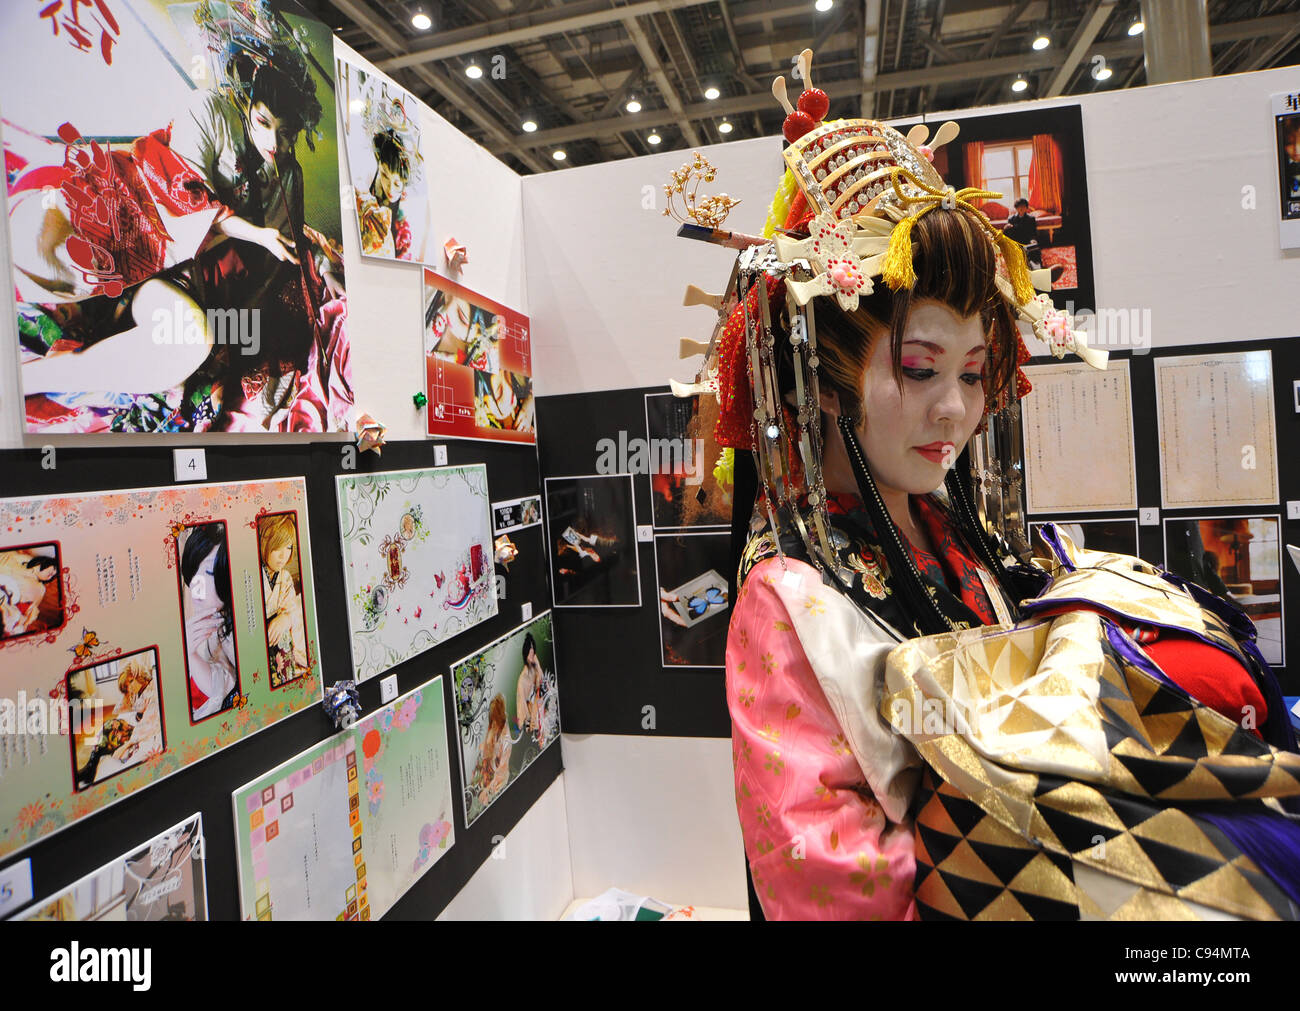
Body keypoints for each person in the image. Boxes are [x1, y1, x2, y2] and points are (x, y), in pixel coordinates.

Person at [688, 49, 1300, 921]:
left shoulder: (971, 539)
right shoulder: (791, 600)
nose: (955, 411)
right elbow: (829, 886)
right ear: (822, 380)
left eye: (974, 375)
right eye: (919, 367)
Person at [11, 14, 349, 433]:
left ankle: (35, 379)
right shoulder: (208, 111)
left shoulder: (288, 173)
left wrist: (325, 265)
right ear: (246, 102)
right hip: (137, 228)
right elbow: (186, 198)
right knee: (38, 239)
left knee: (191, 340)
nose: (274, 144)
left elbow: (294, 237)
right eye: (264, 123)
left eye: (286, 134)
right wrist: (256, 233)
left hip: (181, 282)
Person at [179, 523, 238, 721]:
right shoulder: (206, 613)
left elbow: (220, 685)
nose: (196, 586)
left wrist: (191, 655)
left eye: (210, 573)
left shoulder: (230, 630)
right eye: (194, 572)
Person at [259, 514, 309, 687]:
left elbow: (292, 608)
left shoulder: (285, 576)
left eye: (288, 547)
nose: (283, 555)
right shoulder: (256, 575)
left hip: (281, 639)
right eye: (276, 547)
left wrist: (285, 618)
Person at [473, 694, 512, 808]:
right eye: (492, 717)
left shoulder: (506, 739)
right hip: (489, 768)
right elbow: (485, 749)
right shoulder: (494, 727)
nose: (493, 721)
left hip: (499, 775)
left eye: (495, 716)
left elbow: (501, 769)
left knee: (484, 798)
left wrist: (487, 789)